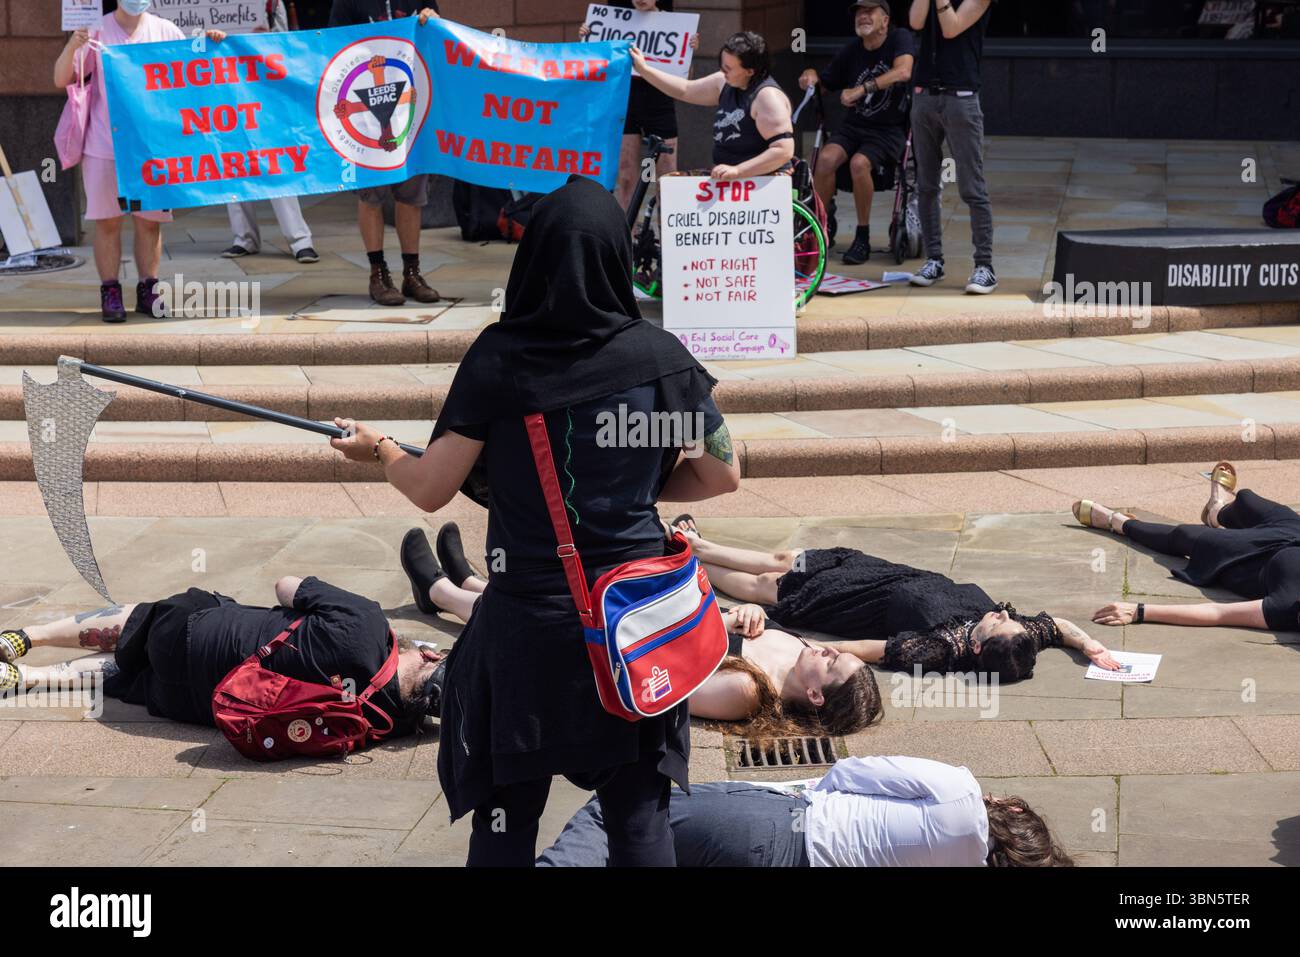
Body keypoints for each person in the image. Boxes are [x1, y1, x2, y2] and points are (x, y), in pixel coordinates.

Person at [326, 175, 740, 866]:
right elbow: (720, 472)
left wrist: (381, 451)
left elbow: (432, 488)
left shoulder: (501, 359)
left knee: (505, 826)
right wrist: (631, 482)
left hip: (526, 636)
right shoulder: (660, 360)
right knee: (641, 824)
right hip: (633, 627)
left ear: (536, 259)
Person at [398, 524, 883, 736]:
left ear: (817, 695)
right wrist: (737, 615)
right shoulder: (797, 651)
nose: (824, 650)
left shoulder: (746, 693)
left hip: (623, 652)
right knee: (556, 600)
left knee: (546, 616)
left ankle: (440, 591)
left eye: (831, 662)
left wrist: (722, 622)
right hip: (660, 622)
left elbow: (662, 682)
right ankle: (470, 581)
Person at [666, 516, 1120, 681]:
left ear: (979, 647)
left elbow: (868, 650)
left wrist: (802, 647)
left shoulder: (940, 648)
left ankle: (691, 558)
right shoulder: (1019, 637)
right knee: (785, 557)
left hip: (849, 601)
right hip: (877, 571)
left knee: (767, 584)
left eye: (998, 622)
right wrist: (1090, 647)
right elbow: (1058, 625)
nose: (1001, 612)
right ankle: (698, 545)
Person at [0, 576, 442, 739]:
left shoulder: (365, 623)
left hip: (191, 636)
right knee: (131, 670)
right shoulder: (390, 724)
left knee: (150, 619)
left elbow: (285, 586)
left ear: (429, 655)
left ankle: (24, 638)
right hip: (198, 705)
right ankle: (33, 679)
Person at [538, 754, 1075, 866]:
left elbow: (850, 772)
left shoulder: (961, 790)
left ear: (1008, 809)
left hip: (783, 826)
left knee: (618, 815)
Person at [51, 2, 219, 322]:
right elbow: (61, 78)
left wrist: (212, 45)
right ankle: (110, 290)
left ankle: (148, 288)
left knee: (149, 221)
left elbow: (193, 77)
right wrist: (75, 42)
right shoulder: (95, 29)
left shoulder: (165, 31)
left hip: (151, 149)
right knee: (108, 221)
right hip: (104, 145)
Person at [1078, 462, 1300, 633]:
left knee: (1184, 535)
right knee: (1248, 500)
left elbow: (1218, 613)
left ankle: (1117, 522)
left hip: (1246, 554)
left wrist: (1138, 611)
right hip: (1291, 532)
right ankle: (1216, 511)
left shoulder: (1286, 607)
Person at [328, 0, 443, 306]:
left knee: (411, 197)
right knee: (371, 197)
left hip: (408, 114)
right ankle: (377, 274)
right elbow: (332, 48)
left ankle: (412, 274)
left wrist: (431, 19)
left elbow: (437, 36)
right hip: (365, 119)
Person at [799, 1, 915, 263]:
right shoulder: (851, 50)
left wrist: (863, 89)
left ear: (885, 20)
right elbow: (824, 84)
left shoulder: (899, 38)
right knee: (826, 158)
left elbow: (904, 71)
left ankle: (862, 236)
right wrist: (810, 75)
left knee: (859, 164)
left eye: (869, 11)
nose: (862, 16)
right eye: (858, 13)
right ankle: (818, 228)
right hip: (855, 127)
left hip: (889, 129)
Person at [907, 0, 998, 294]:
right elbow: (916, 22)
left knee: (972, 186)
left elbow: (952, 28)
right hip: (925, 96)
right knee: (926, 184)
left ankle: (984, 266)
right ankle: (934, 259)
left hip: (961, 98)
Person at [578, 0, 700, 210]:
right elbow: (592, 65)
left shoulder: (675, 24)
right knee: (625, 175)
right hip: (624, 101)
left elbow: (685, 78)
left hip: (659, 102)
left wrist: (689, 52)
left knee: (667, 175)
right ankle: (628, 237)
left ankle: (668, 236)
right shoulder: (613, 21)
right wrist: (586, 40)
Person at [223, 0, 319, 264]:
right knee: (234, 161)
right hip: (225, 86)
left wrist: (268, 40)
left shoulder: (270, 3)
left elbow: (286, 44)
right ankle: (243, 237)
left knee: (277, 162)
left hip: (264, 91)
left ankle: (300, 240)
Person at [630, 31, 795, 180]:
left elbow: (783, 150)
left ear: (750, 71)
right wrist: (644, 70)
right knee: (671, 185)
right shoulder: (724, 82)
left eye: (728, 68)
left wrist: (738, 171)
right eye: (722, 65)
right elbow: (684, 90)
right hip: (728, 174)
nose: (722, 71)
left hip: (763, 179)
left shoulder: (767, 98)